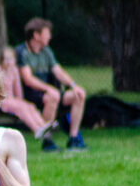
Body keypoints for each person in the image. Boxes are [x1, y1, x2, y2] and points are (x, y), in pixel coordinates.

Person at [15, 17, 87, 152]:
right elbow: (28, 79)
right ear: (36, 35)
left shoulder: (46, 51)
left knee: (78, 95)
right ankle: (47, 141)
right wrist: (49, 89)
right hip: (31, 93)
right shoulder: (22, 51)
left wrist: (73, 85)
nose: (50, 37)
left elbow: (58, 71)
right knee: (52, 97)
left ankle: (73, 139)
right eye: (47, 33)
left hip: (50, 91)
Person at [0, 46, 56, 141]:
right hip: (1, 101)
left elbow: (18, 91)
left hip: (12, 99)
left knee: (30, 106)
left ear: (14, 60)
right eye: (6, 59)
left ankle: (44, 126)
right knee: (20, 108)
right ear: (2, 59)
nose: (8, 62)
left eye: (11, 59)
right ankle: (36, 130)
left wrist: (21, 101)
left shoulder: (14, 70)